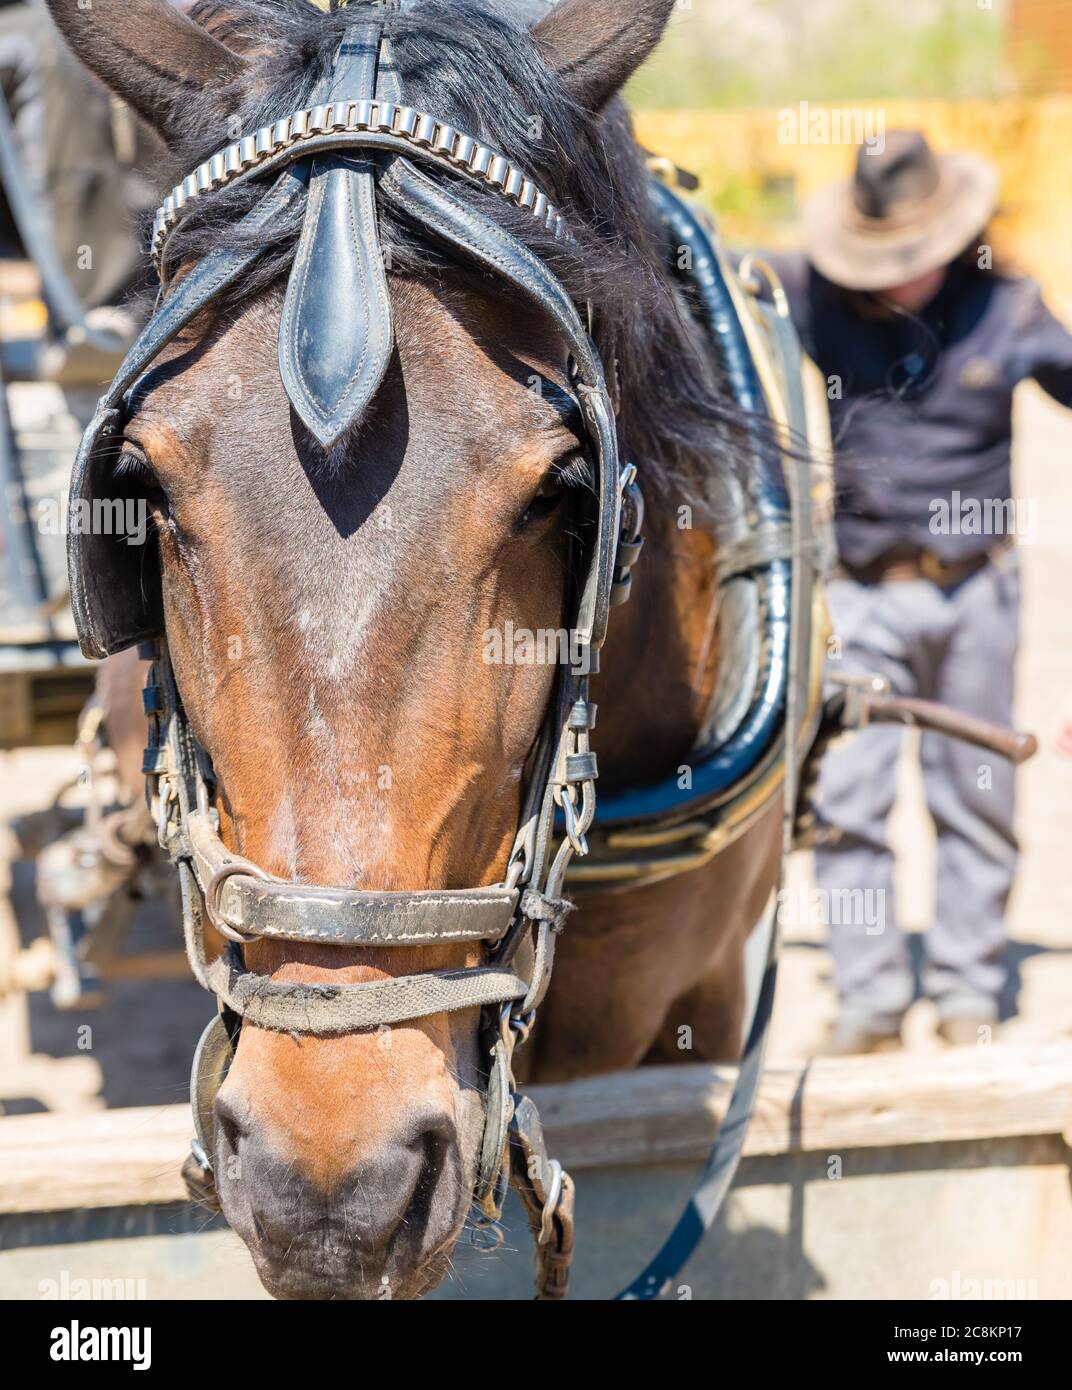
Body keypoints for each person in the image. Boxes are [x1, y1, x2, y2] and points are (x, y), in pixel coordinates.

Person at [765, 130, 1072, 1052]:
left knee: (975, 796)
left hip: (976, 593)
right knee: (848, 802)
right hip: (857, 596)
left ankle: (970, 987)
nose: (899, 280)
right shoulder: (815, 298)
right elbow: (688, 263)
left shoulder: (1011, 309)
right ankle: (870, 1003)